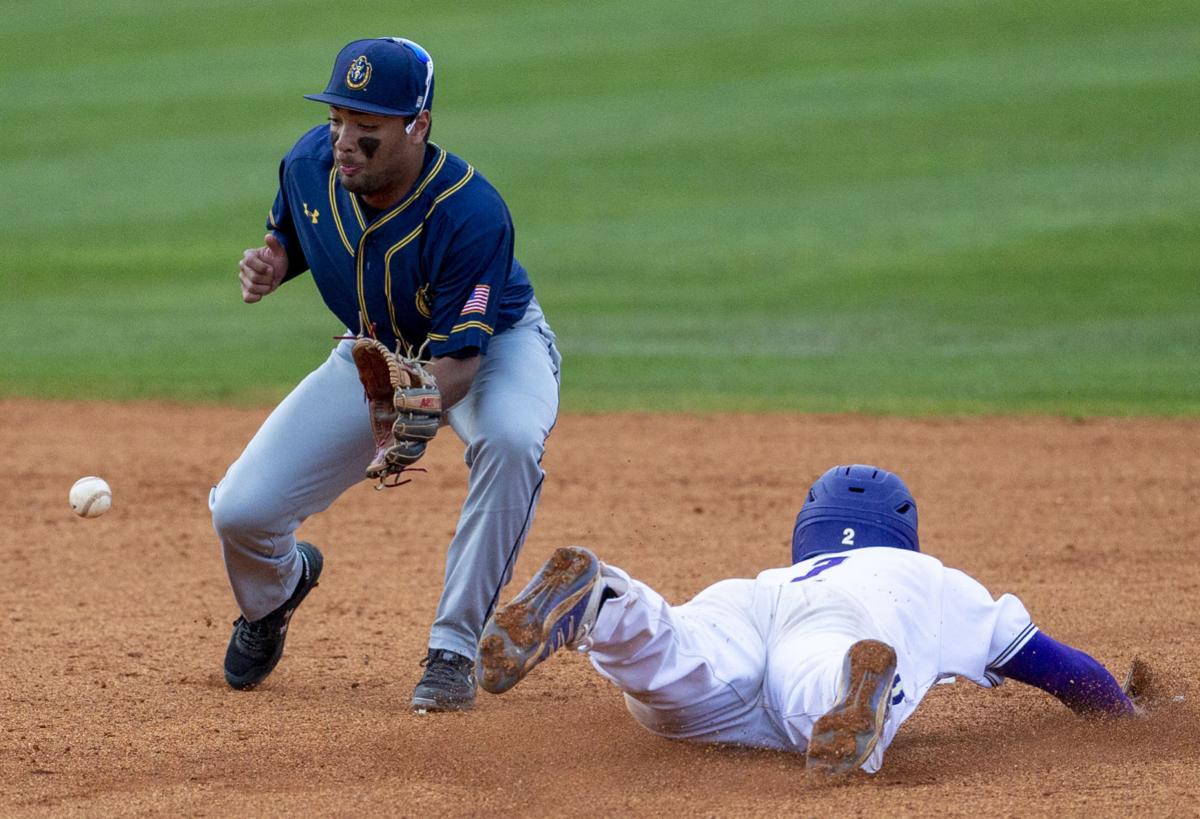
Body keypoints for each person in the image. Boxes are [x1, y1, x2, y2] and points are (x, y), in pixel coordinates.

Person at [210, 37, 561, 713]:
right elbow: (293, 227)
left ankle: (453, 648)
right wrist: (274, 262)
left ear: (417, 126)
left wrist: (413, 409)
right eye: (339, 118)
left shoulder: (471, 212)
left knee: (511, 440)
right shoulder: (311, 161)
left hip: (490, 350)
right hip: (375, 348)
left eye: (366, 130)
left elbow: (460, 359)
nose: (344, 141)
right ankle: (276, 593)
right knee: (240, 511)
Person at [477, 464, 1149, 774]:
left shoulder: (783, 572)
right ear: (903, 533)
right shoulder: (930, 577)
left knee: (677, 653)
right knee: (812, 680)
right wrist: (1121, 711)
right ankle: (847, 688)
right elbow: (1055, 666)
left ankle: (606, 602)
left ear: (808, 531)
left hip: (746, 600)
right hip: (845, 623)